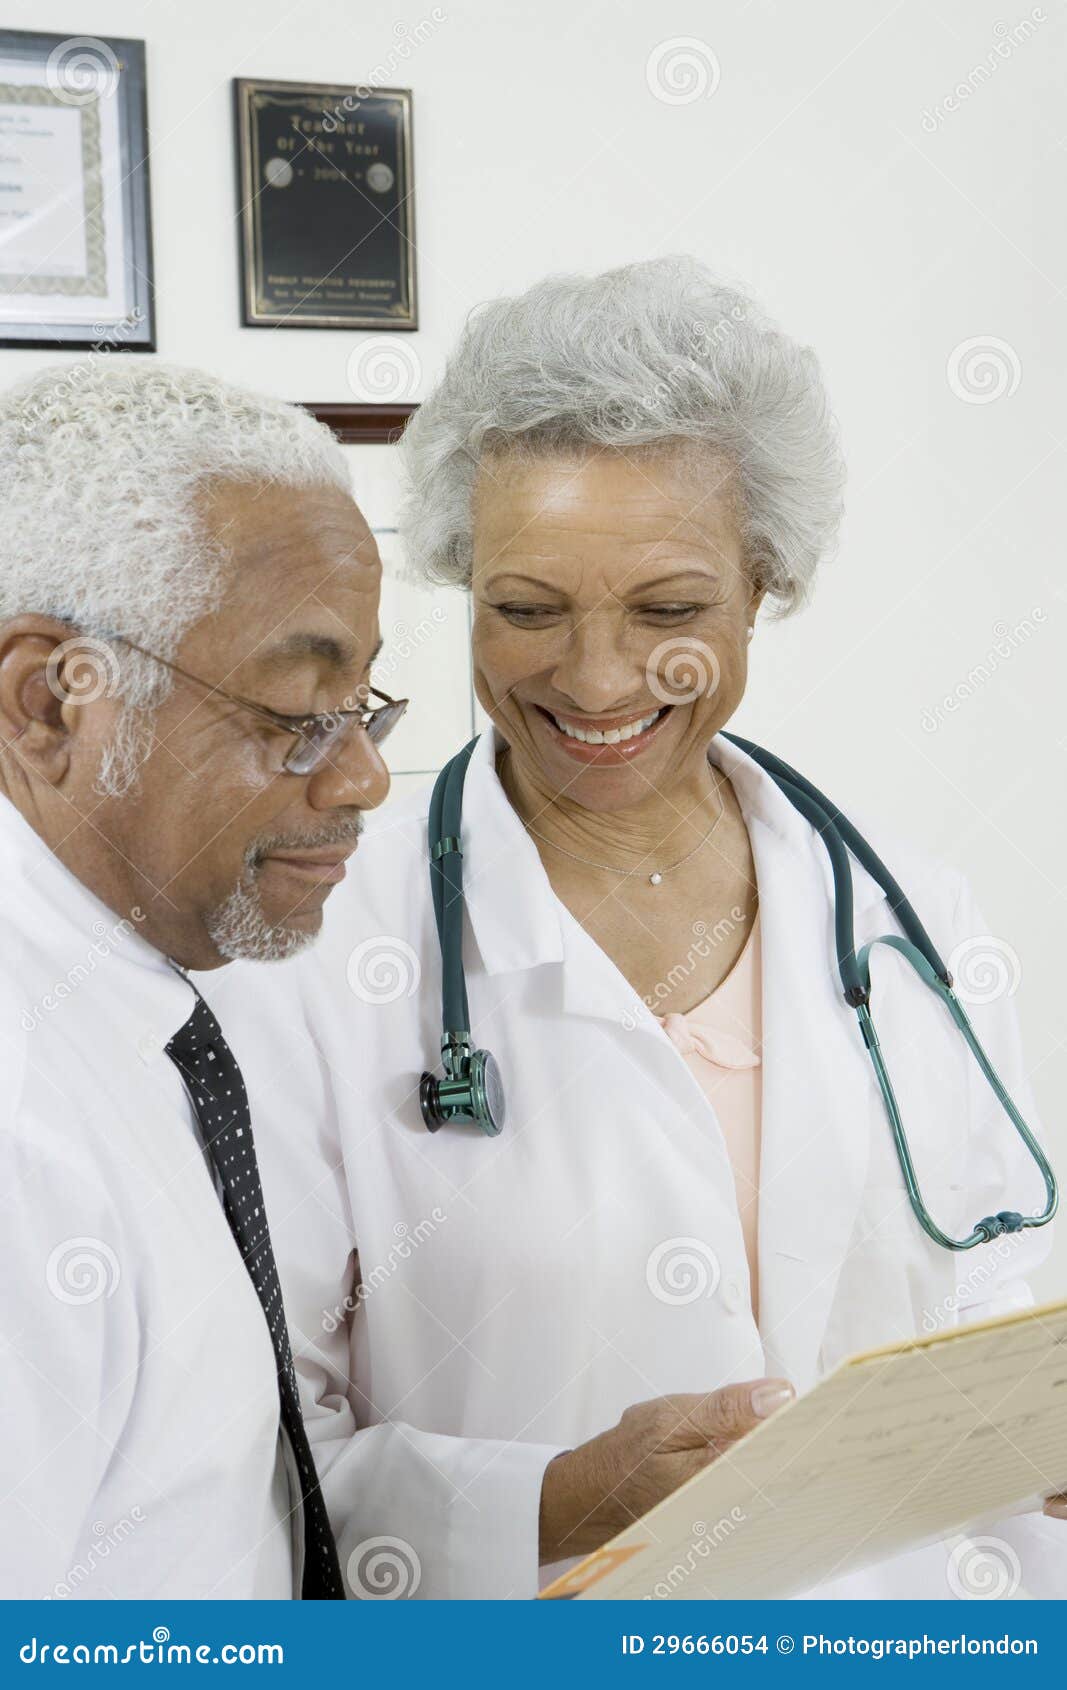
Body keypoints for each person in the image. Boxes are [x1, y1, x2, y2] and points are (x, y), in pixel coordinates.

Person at [207, 257, 1066, 1600]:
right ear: (457, 581)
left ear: (761, 582)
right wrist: (556, 1496)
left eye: (667, 610)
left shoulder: (906, 913)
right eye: (526, 609)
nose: (597, 679)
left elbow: (999, 1298)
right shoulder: (315, 936)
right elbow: (250, 1451)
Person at [0, 362, 399, 1598]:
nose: (363, 781)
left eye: (364, 705)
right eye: (295, 711)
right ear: (47, 706)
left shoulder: (137, 996)